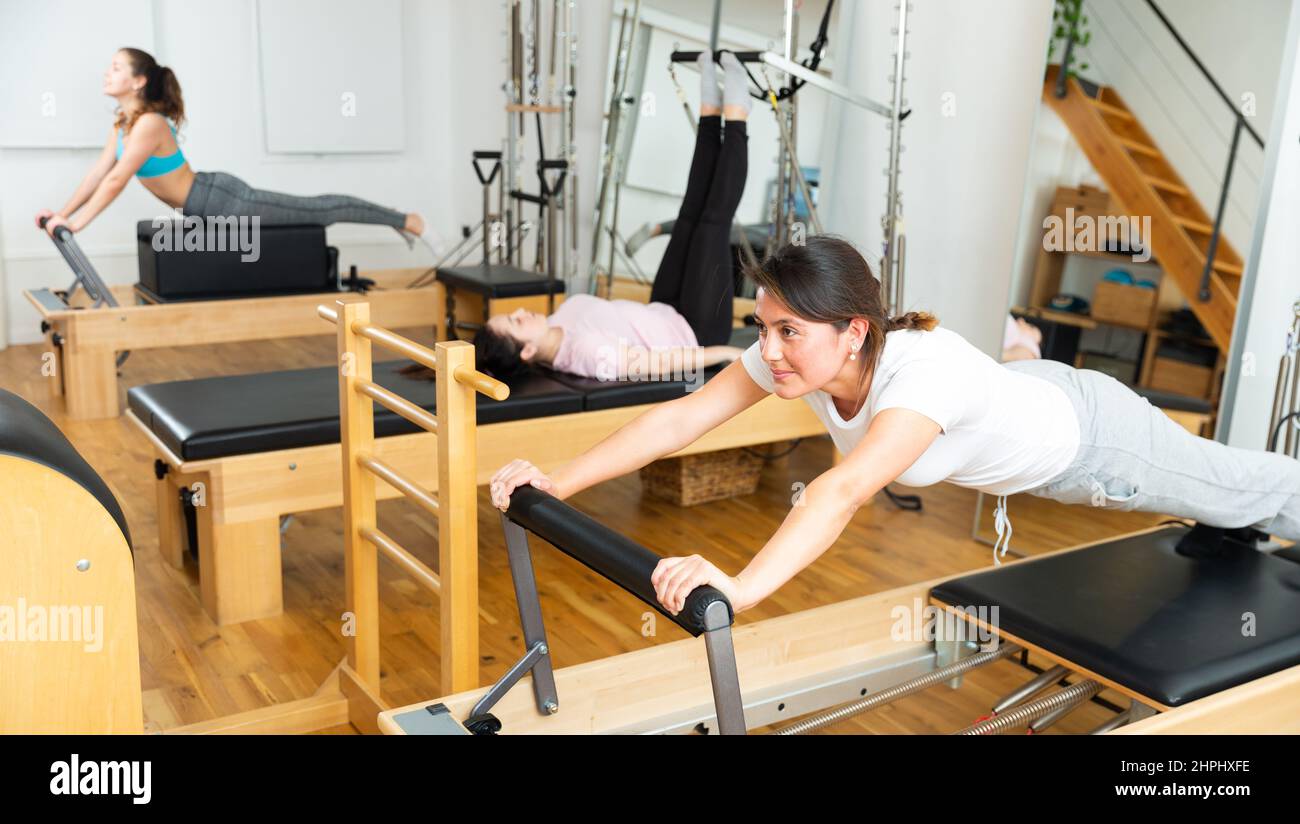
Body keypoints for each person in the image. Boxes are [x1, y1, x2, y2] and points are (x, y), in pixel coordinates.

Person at [490, 234, 1300, 618]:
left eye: (786, 333)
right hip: (1033, 393)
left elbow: (841, 492)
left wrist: (739, 587)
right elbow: (675, 422)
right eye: (762, 327)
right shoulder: (798, 358)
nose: (765, 351)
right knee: (1229, 503)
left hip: (1096, 445)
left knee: (1250, 489)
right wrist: (554, 482)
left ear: (854, 332)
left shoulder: (920, 375)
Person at [455, 51, 754, 382]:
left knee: (688, 216)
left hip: (664, 310)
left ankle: (710, 112)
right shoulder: (586, 354)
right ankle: (738, 115)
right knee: (712, 223)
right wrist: (729, 354)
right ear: (526, 351)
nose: (521, 312)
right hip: (697, 331)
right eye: (515, 322)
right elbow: (656, 366)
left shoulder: (556, 325)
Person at [36, 48, 425, 243]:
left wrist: (77, 225)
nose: (108, 71)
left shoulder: (150, 124)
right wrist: (64, 213)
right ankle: (398, 219)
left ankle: (406, 220)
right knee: (317, 210)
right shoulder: (123, 124)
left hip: (223, 200)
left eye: (117, 67)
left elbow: (117, 179)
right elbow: (98, 174)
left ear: (138, 82)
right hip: (204, 205)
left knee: (319, 210)